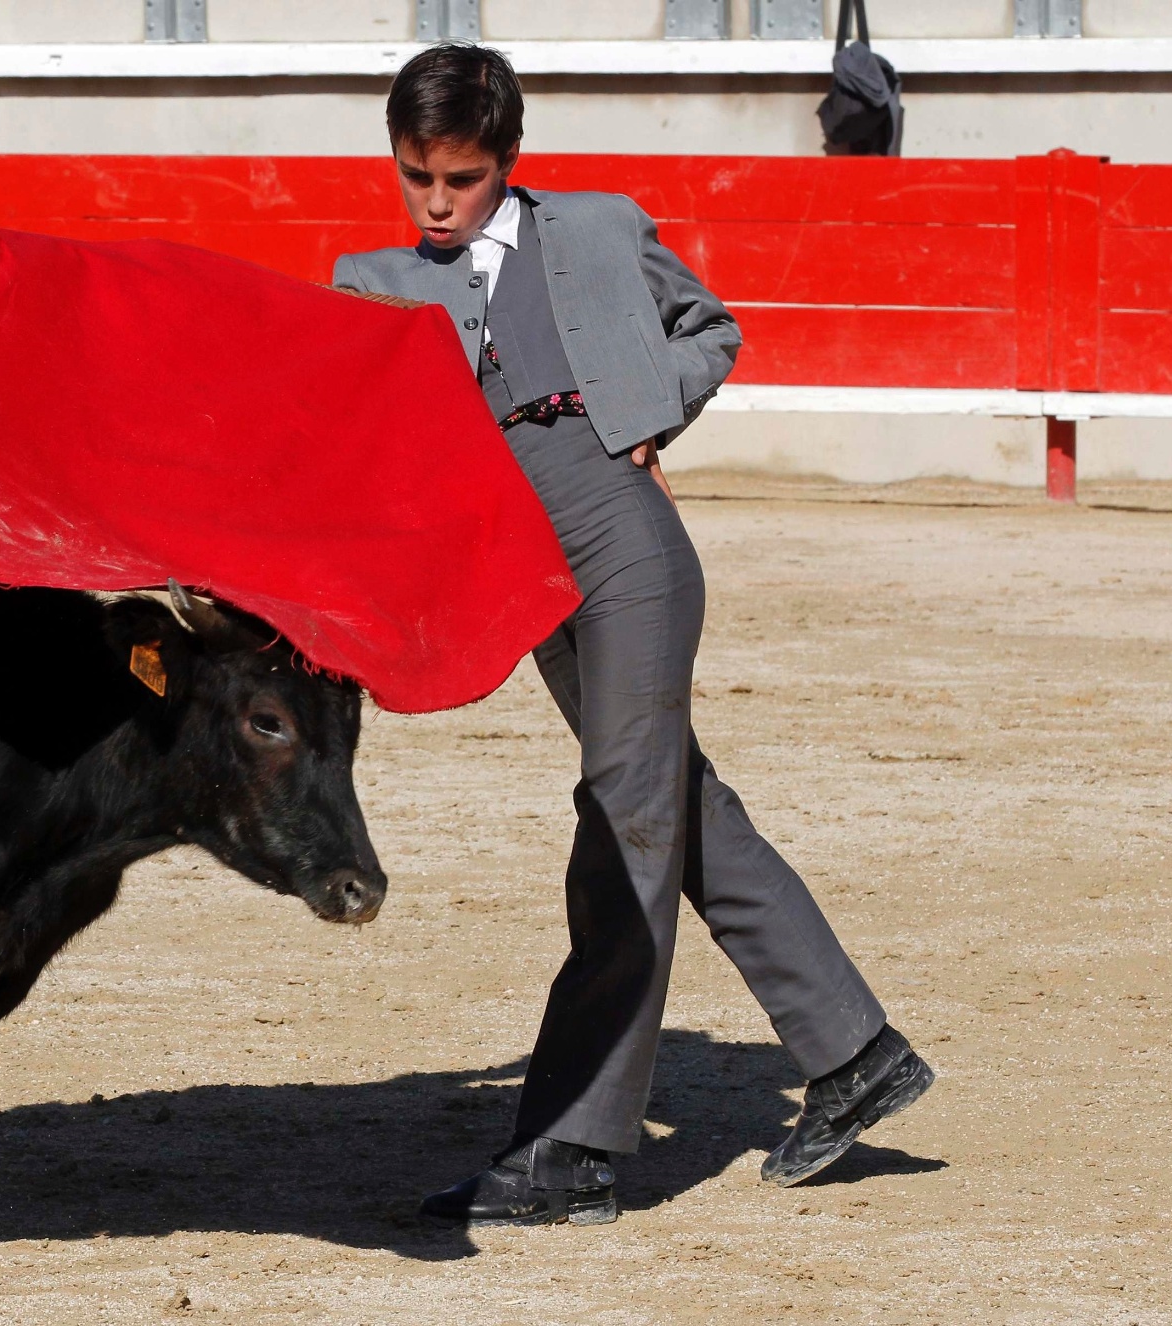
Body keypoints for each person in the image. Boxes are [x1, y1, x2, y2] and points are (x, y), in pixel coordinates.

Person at [332, 43, 935, 1227]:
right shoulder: (372, 279)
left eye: (460, 179)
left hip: (620, 527)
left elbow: (711, 329)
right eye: (418, 179)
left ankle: (574, 1145)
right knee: (674, 804)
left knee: (625, 807)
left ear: (505, 161)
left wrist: (643, 415)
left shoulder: (600, 227)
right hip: (522, 561)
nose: (439, 204)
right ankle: (855, 1053)